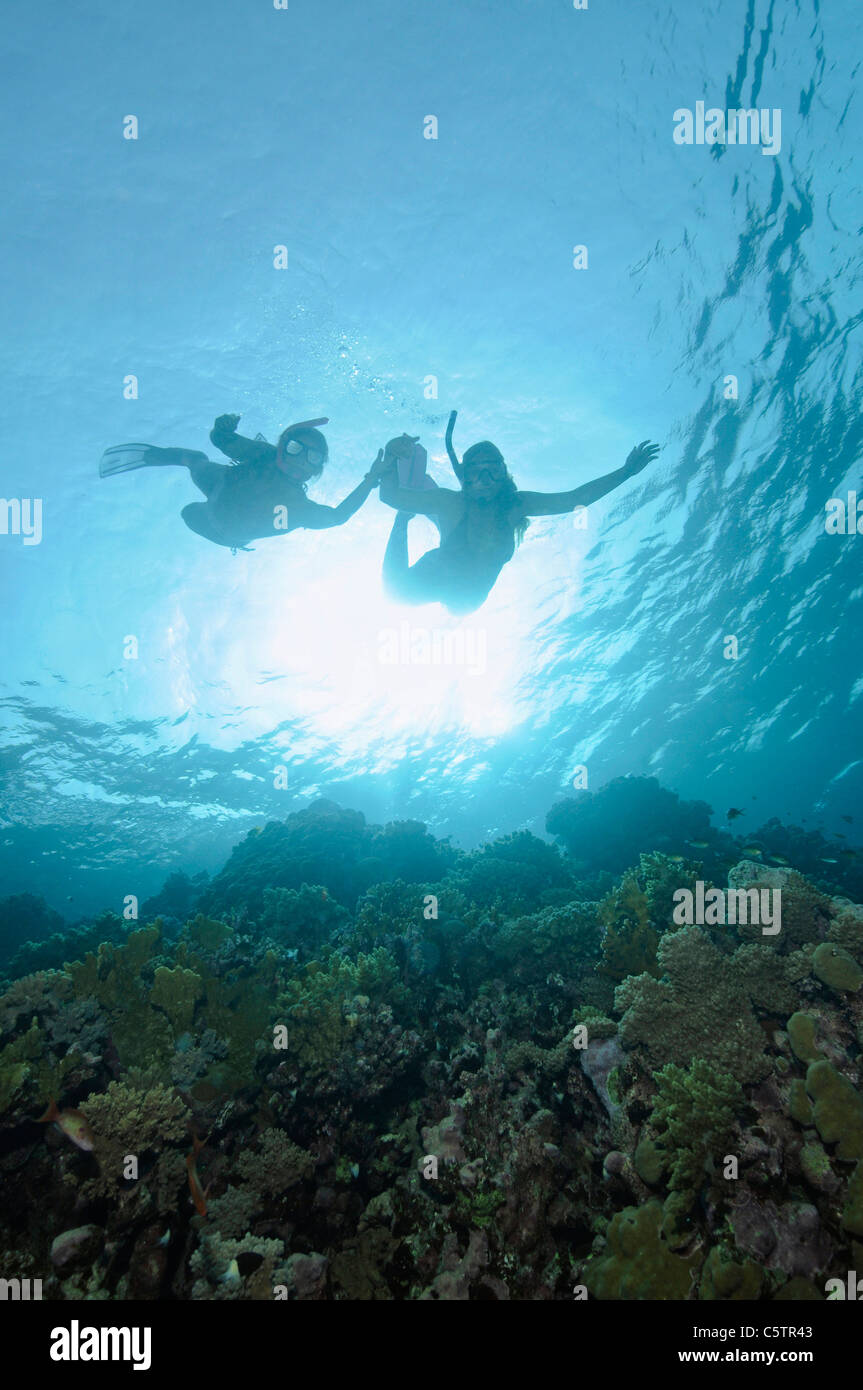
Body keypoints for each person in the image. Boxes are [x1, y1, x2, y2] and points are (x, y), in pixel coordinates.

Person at [378, 411, 659, 615]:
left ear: (504, 474)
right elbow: (389, 495)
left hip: (467, 600)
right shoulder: (452, 502)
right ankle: (405, 518)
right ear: (466, 477)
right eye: (476, 473)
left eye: (493, 470)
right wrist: (391, 456)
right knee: (395, 592)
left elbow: (575, 499)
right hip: (439, 575)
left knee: (456, 591)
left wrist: (627, 472)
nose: (485, 479)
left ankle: (424, 512)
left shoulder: (516, 505)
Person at [100, 414, 389, 552]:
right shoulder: (264, 454)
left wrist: (371, 478)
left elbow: (338, 516)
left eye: (313, 457)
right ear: (282, 447)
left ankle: (232, 542)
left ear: (317, 469)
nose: (301, 460)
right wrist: (221, 427)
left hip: (227, 527)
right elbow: (221, 441)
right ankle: (150, 456)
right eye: (295, 449)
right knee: (195, 458)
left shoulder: (297, 507)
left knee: (189, 512)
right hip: (223, 486)